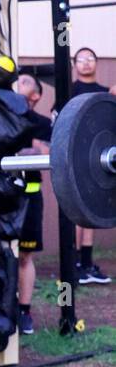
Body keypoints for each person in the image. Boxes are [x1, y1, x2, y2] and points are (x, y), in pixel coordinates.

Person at [12, 73, 53, 335]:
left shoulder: (42, 123)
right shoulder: (0, 117)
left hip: (29, 196)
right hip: (3, 194)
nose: (18, 82)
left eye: (25, 81)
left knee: (25, 256)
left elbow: (46, 153)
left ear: (36, 95)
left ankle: (24, 311)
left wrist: (19, 152)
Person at [69, 48, 110, 285]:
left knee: (91, 210)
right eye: (81, 59)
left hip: (99, 160)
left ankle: (87, 263)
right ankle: (74, 263)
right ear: (74, 64)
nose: (86, 63)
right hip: (75, 160)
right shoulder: (70, 91)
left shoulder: (106, 94)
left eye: (90, 59)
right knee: (77, 211)